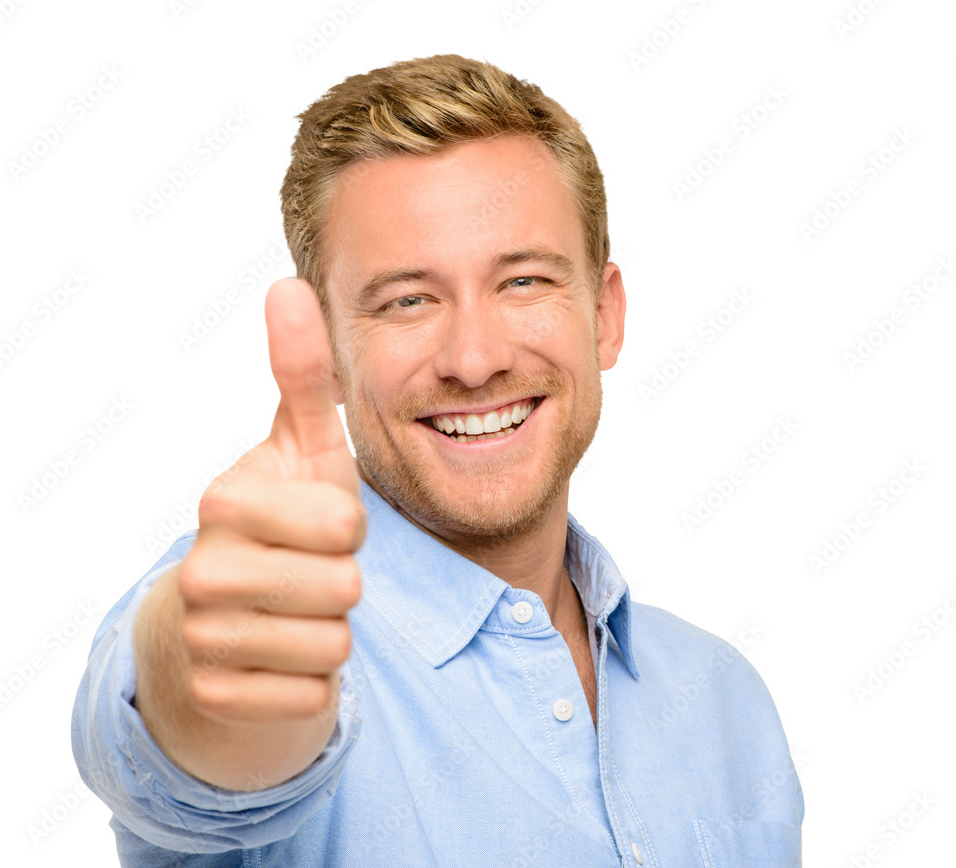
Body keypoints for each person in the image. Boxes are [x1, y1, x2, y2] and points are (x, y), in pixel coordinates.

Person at [73, 54, 804, 866]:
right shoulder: (270, 608)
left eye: (523, 281)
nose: (474, 356)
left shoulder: (726, 700)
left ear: (604, 315)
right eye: (408, 300)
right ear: (328, 351)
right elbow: (192, 749)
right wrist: (216, 668)